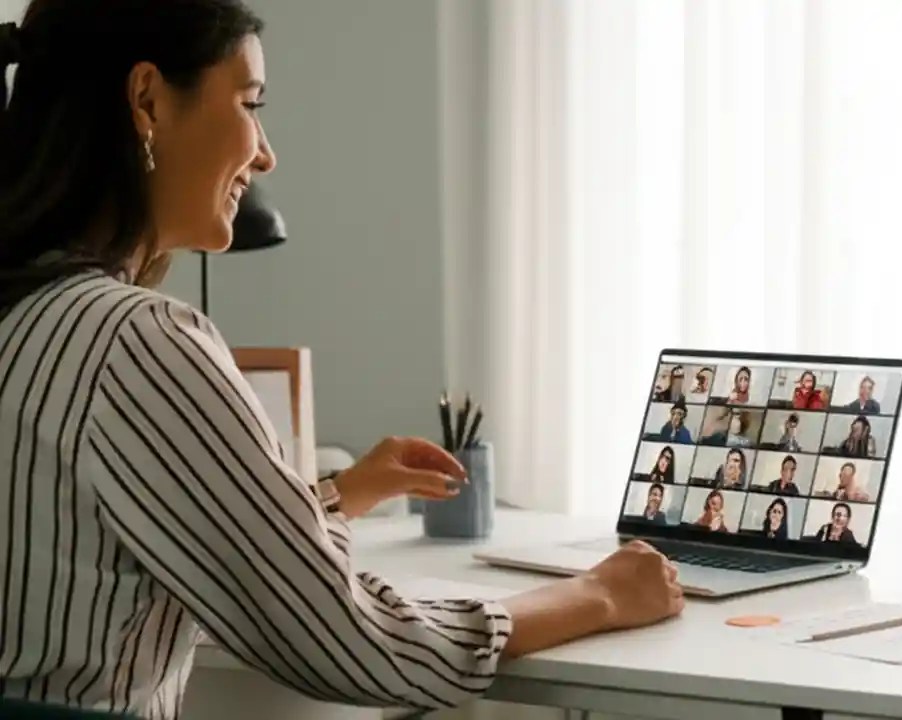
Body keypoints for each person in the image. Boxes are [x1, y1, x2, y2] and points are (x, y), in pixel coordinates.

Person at [0, 3, 683, 715]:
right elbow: (351, 640)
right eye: (249, 103)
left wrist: (336, 496)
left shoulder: (26, 317)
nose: (265, 153)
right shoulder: (134, 343)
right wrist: (595, 595)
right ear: (147, 101)